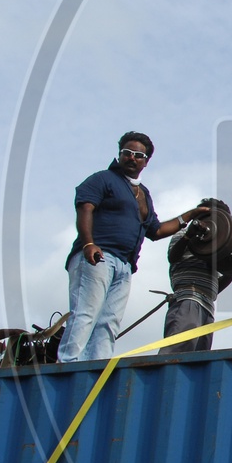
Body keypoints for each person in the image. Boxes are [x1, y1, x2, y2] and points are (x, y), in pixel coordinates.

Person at [60, 132, 208, 362]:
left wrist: (189, 215)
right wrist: (89, 243)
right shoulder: (103, 179)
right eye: (127, 153)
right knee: (86, 313)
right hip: (98, 256)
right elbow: (85, 208)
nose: (132, 158)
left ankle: (96, 368)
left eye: (138, 155)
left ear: (146, 161)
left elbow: (156, 231)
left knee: (109, 322)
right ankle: (68, 363)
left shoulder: (143, 194)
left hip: (125, 265)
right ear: (119, 155)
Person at [159, 199, 232, 354]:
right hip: (188, 299)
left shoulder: (216, 250)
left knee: (198, 358)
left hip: (207, 306)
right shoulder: (184, 236)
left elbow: (218, 284)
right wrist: (188, 236)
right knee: (177, 351)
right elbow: (173, 257)